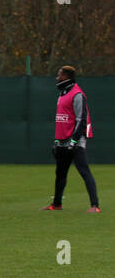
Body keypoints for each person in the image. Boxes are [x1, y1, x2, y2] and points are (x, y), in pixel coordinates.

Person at [46, 65, 100, 212]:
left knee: (84, 171)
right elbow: (61, 121)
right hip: (62, 142)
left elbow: (81, 120)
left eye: (59, 75)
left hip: (75, 142)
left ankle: (95, 206)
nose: (57, 78)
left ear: (66, 77)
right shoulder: (62, 94)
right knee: (60, 174)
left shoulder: (77, 94)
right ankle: (57, 204)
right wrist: (57, 141)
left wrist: (74, 141)